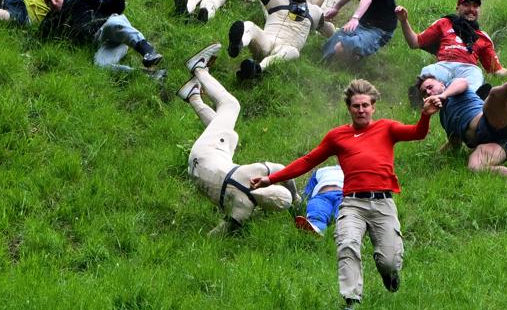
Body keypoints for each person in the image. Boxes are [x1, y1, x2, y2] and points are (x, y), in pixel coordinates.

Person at [250, 79, 444, 310]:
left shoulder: (387, 128)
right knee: (347, 243)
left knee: (389, 262)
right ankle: (351, 301)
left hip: (383, 203)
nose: (361, 110)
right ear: (349, 109)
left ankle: (390, 275)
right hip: (352, 203)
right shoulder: (337, 136)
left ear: (373, 107)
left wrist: (425, 115)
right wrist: (270, 179)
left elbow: (417, 134)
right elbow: (308, 161)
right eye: (356, 106)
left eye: (365, 105)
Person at [177, 43, 301, 236]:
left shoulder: (255, 172)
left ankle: (198, 68)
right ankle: (193, 96)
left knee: (231, 105)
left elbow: (285, 172)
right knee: (230, 137)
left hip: (206, 153)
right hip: (194, 170)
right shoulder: (243, 212)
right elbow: (217, 233)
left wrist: (295, 197)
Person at [416, 53, 507, 181]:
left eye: (429, 87)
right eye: (424, 93)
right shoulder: (444, 118)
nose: (428, 92)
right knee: (475, 167)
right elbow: (455, 142)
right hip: (498, 143)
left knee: (495, 94)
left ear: (441, 83)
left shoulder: (453, 87)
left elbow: (463, 83)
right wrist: (435, 156)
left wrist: (443, 96)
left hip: (491, 120)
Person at [37, 0, 163, 76]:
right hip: (101, 43)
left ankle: (148, 51)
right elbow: (39, 40)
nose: (53, 3)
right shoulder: (52, 21)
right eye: (48, 1)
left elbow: (115, 7)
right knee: (101, 66)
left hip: (110, 28)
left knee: (112, 24)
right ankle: (149, 75)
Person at [395, 0, 507, 96]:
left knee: (476, 74)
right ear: (458, 8)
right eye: (466, 5)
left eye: (475, 6)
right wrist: (404, 21)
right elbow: (414, 42)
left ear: (479, 11)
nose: (471, 9)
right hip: (443, 66)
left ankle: (472, 99)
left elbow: (497, 70)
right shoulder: (444, 23)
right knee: (428, 70)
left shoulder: (483, 37)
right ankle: (422, 99)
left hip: (468, 69)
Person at [228, 0, 322, 80]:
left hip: (287, 49)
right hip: (266, 41)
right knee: (249, 25)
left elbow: (327, 30)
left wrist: (342, 32)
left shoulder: (315, 12)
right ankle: (238, 44)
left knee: (293, 52)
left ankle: (257, 68)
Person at [295, 165, 344, 236]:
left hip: (343, 196)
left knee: (344, 213)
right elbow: (308, 192)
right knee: (317, 209)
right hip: (321, 197)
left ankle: (343, 231)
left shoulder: (355, 170)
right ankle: (317, 227)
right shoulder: (320, 171)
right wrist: (302, 203)